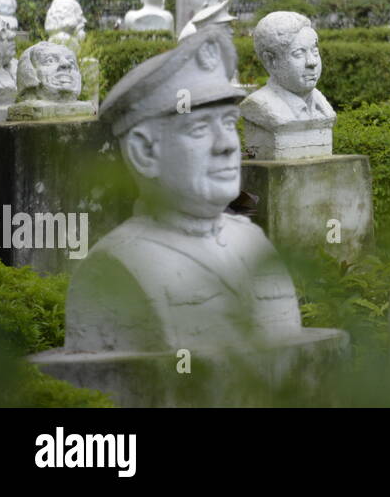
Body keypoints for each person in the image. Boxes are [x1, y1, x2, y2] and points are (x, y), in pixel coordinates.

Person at [64, 29, 305, 351]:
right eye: (200, 128)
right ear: (144, 152)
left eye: (230, 124)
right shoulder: (113, 269)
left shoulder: (252, 241)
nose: (227, 146)